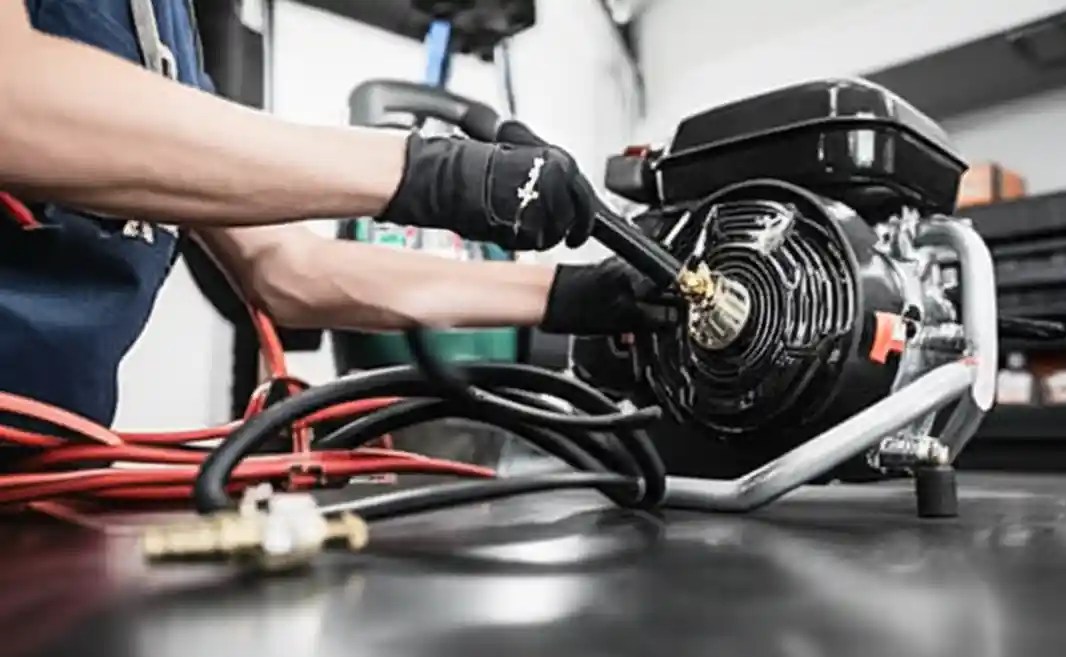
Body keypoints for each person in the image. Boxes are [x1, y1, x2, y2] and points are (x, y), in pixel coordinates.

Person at [0, 0, 668, 427]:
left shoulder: (164, 29)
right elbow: (14, 103)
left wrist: (575, 294)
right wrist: (426, 171)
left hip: (54, 469)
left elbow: (292, 270)